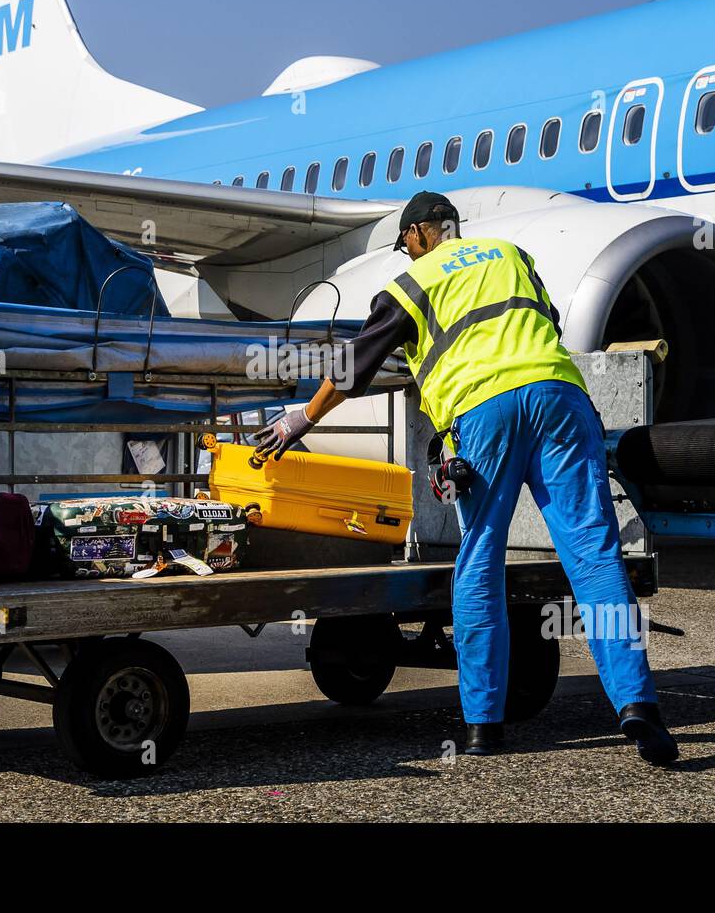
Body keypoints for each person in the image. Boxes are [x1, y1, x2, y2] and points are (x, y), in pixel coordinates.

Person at [253, 191, 678, 764]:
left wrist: (302, 417)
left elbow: (355, 366)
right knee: (595, 556)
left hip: (486, 412)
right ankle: (638, 707)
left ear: (420, 235)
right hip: (561, 398)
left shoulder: (411, 284)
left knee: (480, 557)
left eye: (406, 244)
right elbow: (543, 325)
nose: (407, 253)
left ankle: (483, 726)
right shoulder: (511, 254)